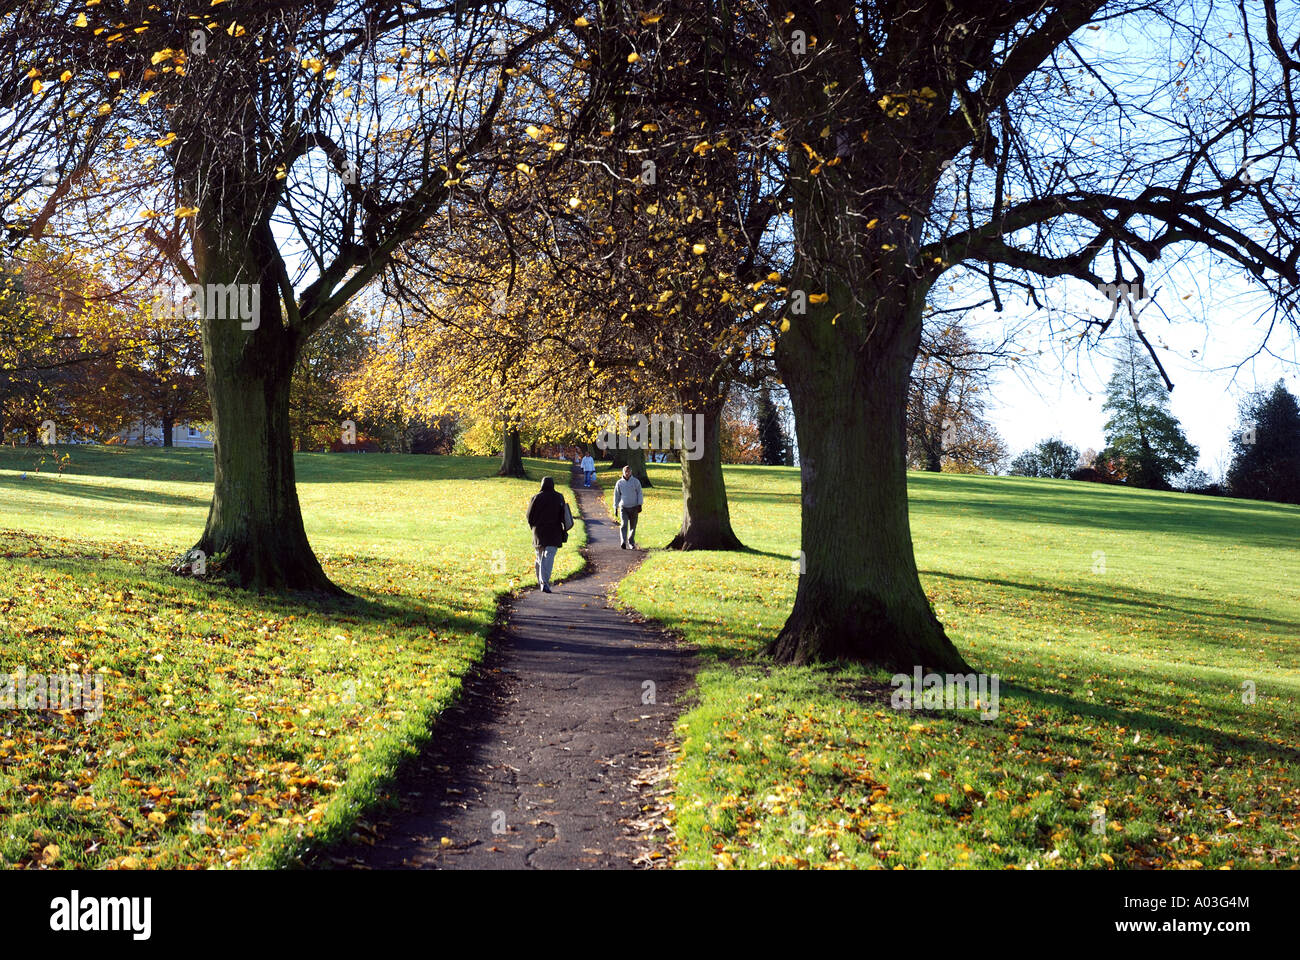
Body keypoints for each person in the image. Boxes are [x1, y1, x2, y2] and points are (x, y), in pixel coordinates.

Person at [526, 475, 572, 593]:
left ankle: (541, 581)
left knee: (539, 556)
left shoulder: (536, 498)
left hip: (538, 532)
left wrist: (533, 527)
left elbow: (529, 516)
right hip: (554, 531)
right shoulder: (559, 497)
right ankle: (544, 582)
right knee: (549, 556)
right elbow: (564, 516)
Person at [612, 464, 644, 550]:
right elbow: (616, 495)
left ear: (631, 472)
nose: (627, 473)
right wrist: (615, 507)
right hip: (623, 507)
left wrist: (639, 504)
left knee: (633, 526)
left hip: (634, 507)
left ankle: (631, 542)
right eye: (625, 472)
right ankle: (623, 542)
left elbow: (640, 493)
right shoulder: (619, 483)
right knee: (624, 524)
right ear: (623, 472)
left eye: (628, 472)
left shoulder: (636, 481)